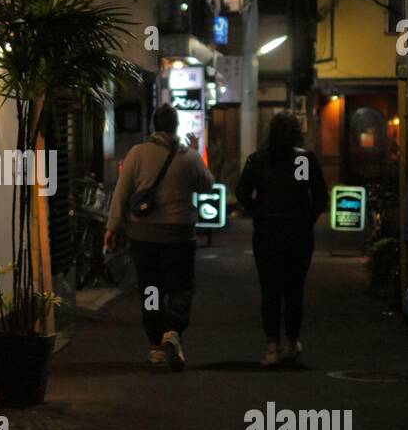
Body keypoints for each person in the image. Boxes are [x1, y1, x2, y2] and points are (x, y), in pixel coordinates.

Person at [104, 102, 215, 369]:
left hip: (144, 238)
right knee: (180, 287)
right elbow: (208, 185)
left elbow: (121, 192)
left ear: (154, 125)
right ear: (176, 126)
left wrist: (112, 227)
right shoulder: (187, 157)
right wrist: (197, 150)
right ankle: (172, 331)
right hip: (179, 237)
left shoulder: (137, 153)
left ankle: (155, 344)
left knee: (151, 288)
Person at [235, 111, 328, 367]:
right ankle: (292, 342)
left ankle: (272, 346)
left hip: (267, 231)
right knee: (294, 289)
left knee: (270, 289)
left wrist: (257, 211)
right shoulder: (303, 160)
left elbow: (242, 191)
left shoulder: (258, 159)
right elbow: (318, 195)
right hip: (298, 232)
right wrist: (307, 218)